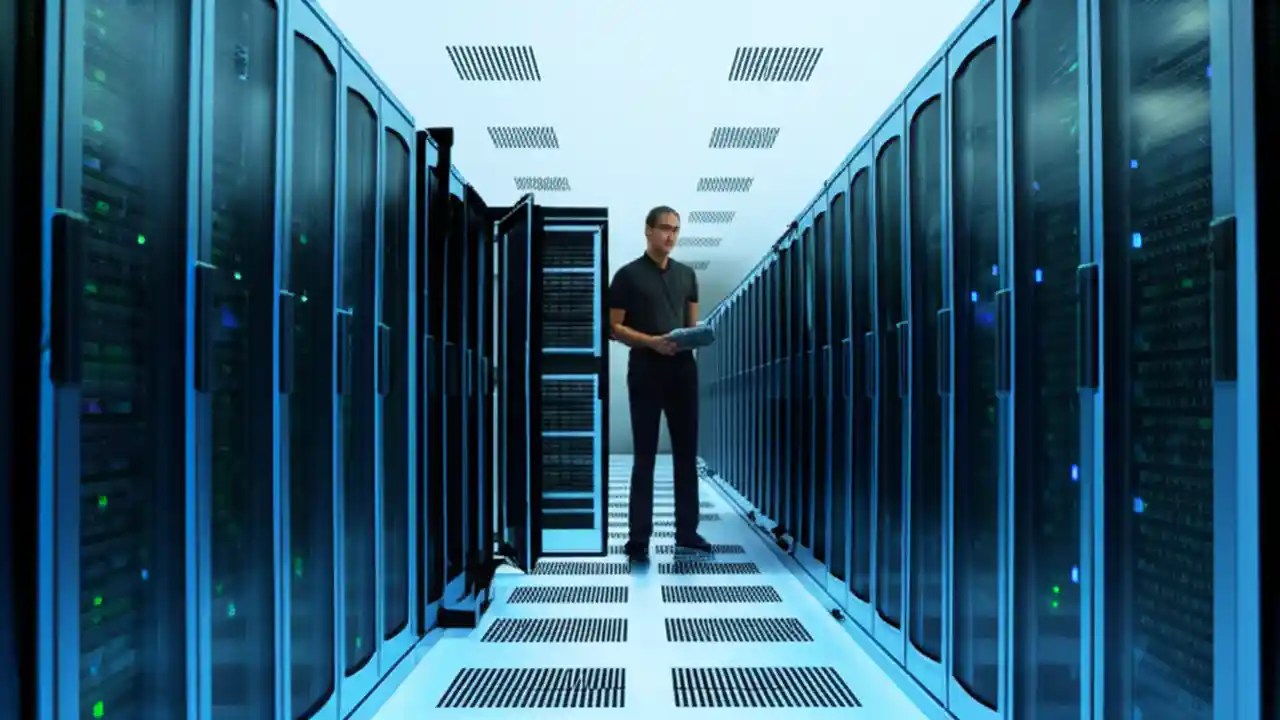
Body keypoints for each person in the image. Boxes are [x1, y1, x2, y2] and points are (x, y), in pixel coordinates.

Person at [607, 205, 712, 561]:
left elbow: (692, 326)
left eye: (676, 230)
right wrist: (652, 342)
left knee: (686, 456)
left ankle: (687, 532)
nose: (670, 235)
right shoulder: (627, 276)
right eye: (665, 228)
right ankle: (638, 539)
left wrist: (688, 340)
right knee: (645, 457)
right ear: (648, 230)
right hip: (646, 371)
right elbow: (614, 327)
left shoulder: (687, 276)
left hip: (682, 372)